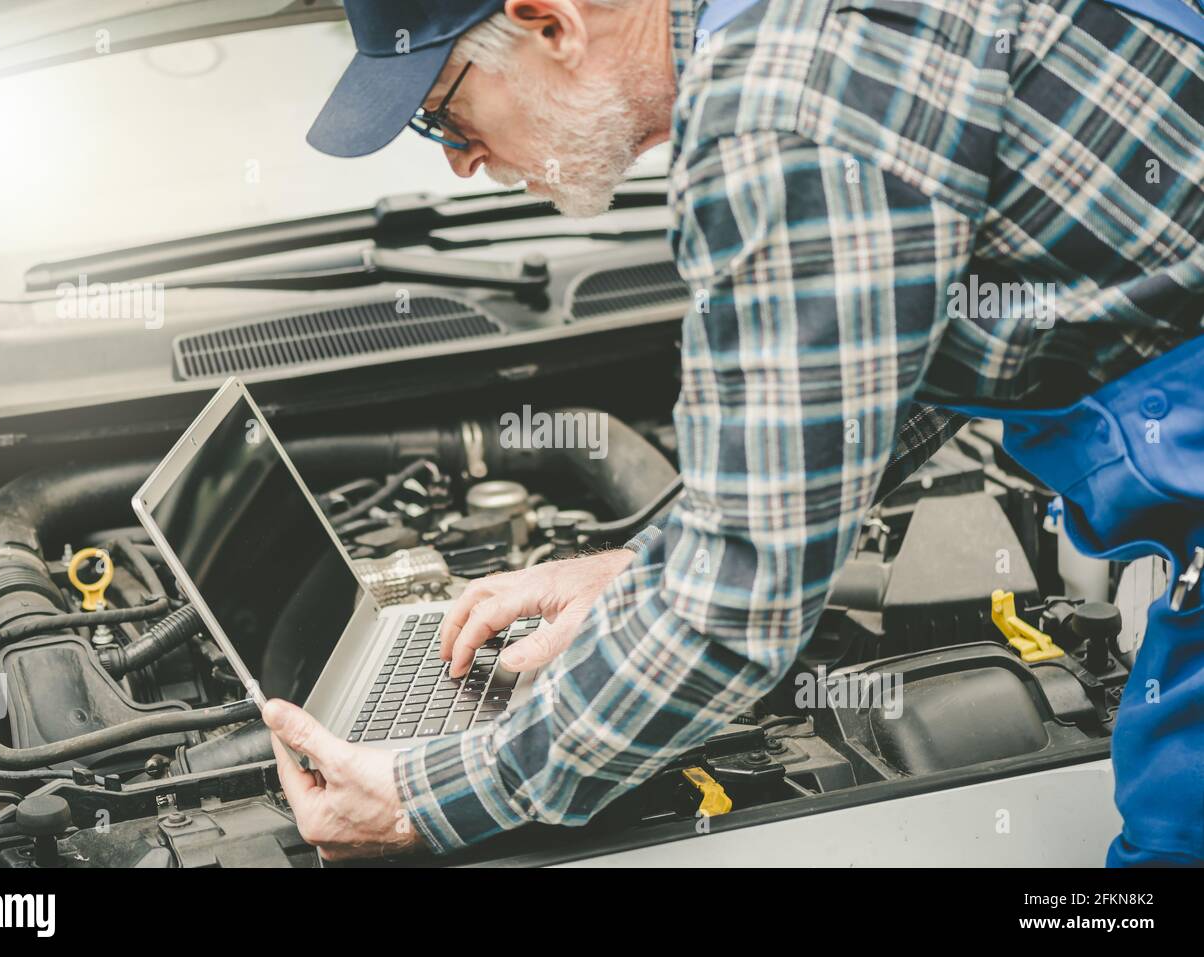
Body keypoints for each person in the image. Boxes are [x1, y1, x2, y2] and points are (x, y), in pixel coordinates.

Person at [260, 0, 1204, 864]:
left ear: (549, 23)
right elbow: (892, 362)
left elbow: (739, 607)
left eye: (440, 112)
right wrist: (648, 565)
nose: (459, 159)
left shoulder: (780, 112)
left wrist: (425, 797)